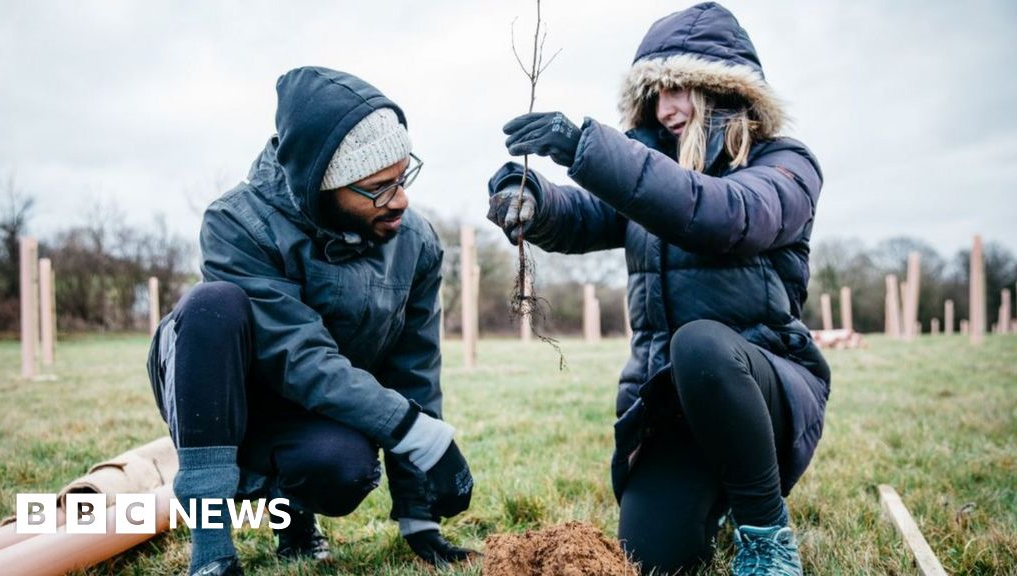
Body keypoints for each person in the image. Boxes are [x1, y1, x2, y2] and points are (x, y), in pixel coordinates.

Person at [485, 3, 830, 575]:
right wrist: (533, 200)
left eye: (682, 89)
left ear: (726, 91)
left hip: (761, 389)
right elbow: (585, 213)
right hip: (671, 405)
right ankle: (713, 501)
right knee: (652, 557)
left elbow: (723, 215)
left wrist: (585, 149)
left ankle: (766, 532)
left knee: (699, 345)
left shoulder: (784, 166)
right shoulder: (647, 169)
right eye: (655, 93)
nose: (666, 108)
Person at [147, 66, 476, 576]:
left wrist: (419, 515)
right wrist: (419, 434)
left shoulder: (415, 243)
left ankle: (294, 521)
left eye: (403, 176)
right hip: (227, 396)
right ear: (321, 186)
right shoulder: (236, 224)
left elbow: (414, 369)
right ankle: (211, 552)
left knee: (342, 467)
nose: (401, 200)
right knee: (212, 305)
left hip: (308, 411)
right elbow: (298, 356)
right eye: (378, 188)